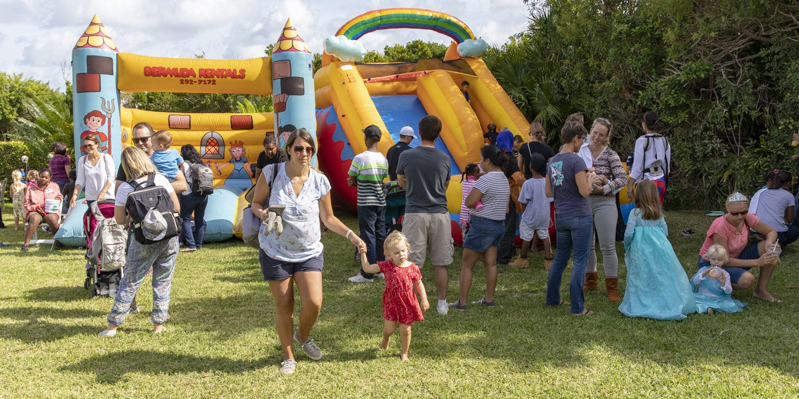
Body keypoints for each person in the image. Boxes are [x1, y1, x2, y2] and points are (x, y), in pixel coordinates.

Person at [251, 128, 366, 374]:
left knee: (314, 303)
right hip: (275, 249)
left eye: (309, 149)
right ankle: (289, 357)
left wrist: (351, 235)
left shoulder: (319, 180)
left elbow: (329, 217)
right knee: (284, 304)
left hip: (309, 251)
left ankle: (302, 336)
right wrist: (262, 213)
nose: (305, 153)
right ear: (289, 150)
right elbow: (256, 202)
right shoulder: (272, 173)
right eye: (300, 148)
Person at [98, 147, 181, 338]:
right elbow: (176, 207)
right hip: (169, 237)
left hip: (142, 240)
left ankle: (113, 326)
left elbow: (119, 220)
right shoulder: (160, 179)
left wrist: (134, 218)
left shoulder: (125, 189)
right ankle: (158, 325)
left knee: (130, 280)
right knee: (163, 281)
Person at [396, 115, 454, 316]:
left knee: (410, 262)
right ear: (438, 134)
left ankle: (410, 303)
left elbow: (400, 180)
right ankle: (442, 303)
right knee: (441, 261)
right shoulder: (444, 158)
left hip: (415, 213)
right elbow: (446, 185)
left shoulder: (406, 156)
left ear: (418, 132)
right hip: (439, 213)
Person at [618, 180, 696, 320]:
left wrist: (627, 246)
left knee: (642, 276)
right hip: (659, 250)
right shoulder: (658, 214)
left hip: (641, 251)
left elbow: (629, 233)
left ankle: (643, 300)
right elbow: (665, 232)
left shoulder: (635, 213)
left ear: (638, 195)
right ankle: (661, 299)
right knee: (659, 275)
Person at [544, 121, 597, 316]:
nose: (582, 143)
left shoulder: (553, 162)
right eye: (582, 139)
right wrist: (590, 180)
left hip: (561, 216)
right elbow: (584, 192)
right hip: (580, 215)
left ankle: (552, 299)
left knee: (560, 257)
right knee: (580, 260)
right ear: (575, 138)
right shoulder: (576, 161)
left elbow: (549, 191)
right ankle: (577, 308)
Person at [450, 145, 510, 310]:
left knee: (467, 264)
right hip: (498, 225)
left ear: (488, 160)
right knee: (490, 264)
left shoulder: (485, 180)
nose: (479, 162)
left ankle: (462, 303)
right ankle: (489, 300)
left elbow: (469, 202)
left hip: (482, 224)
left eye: (481, 159)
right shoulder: (503, 178)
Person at [577, 117, 627, 301]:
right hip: (584, 201)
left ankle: (612, 287)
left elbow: (622, 179)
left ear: (607, 137)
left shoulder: (611, 155)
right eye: (595, 132)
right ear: (590, 131)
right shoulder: (580, 151)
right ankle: (590, 281)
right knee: (588, 245)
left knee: (607, 245)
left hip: (605, 202)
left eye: (601, 134)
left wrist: (605, 185)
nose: (596, 137)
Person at [698, 191, 780, 302]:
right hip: (714, 262)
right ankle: (711, 283)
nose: (740, 216)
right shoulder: (720, 226)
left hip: (735, 257)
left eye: (743, 212)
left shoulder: (747, 218)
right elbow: (724, 260)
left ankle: (761, 290)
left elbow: (771, 231)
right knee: (748, 280)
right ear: (727, 208)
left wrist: (770, 244)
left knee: (772, 248)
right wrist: (757, 262)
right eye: (735, 213)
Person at [359, 231, 429, 361]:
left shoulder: (412, 267)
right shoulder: (386, 266)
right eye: (396, 253)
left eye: (403, 251)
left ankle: (404, 353)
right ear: (388, 254)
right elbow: (367, 268)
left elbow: (419, 283)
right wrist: (363, 253)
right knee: (389, 329)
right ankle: (386, 338)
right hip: (391, 302)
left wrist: (424, 298)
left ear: (407, 249)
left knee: (405, 330)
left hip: (408, 302)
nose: (401, 254)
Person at [347, 125, 389, 283]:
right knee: (380, 235)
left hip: (365, 202)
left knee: (367, 235)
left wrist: (352, 182)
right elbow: (381, 181)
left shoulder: (359, 159)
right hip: (380, 202)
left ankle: (367, 273)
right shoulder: (383, 159)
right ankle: (379, 269)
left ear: (366, 139)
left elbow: (352, 179)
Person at [116, 122, 187, 194]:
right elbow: (118, 191)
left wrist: (150, 190)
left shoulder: (168, 156)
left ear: (152, 137)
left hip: (167, 203)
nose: (140, 143)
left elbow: (182, 185)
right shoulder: (129, 162)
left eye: (144, 139)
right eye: (136, 140)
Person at [510, 153, 552, 269]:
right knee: (544, 236)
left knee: (527, 237)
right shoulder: (546, 182)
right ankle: (548, 260)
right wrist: (547, 216)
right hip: (543, 215)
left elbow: (523, 201)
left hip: (530, 216)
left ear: (530, 167)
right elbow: (549, 199)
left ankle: (523, 258)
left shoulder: (527, 184)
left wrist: (523, 213)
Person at [627, 111, 670, 205]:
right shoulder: (664, 140)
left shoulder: (641, 141)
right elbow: (666, 167)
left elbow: (637, 168)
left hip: (646, 183)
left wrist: (630, 184)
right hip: (660, 180)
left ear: (644, 124)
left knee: (644, 213)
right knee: (657, 213)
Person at [495, 129, 525, 265]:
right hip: (508, 198)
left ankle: (499, 253)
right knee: (509, 227)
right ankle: (503, 257)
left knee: (499, 227)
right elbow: (518, 179)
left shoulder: (496, 157)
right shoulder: (510, 159)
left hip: (496, 196)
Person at [749, 169, 799, 248]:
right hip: (777, 232)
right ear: (787, 184)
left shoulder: (760, 192)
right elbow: (790, 219)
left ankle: (764, 240)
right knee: (795, 231)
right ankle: (778, 244)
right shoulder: (788, 196)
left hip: (755, 230)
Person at [692, 244, 746, 315]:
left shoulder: (725, 274)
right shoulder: (704, 270)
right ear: (709, 259)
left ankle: (707, 308)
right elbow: (695, 282)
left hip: (718, 298)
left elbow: (728, 291)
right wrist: (703, 275)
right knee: (692, 300)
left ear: (724, 260)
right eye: (713, 259)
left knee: (730, 305)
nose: (716, 262)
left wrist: (723, 283)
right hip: (703, 296)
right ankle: (708, 308)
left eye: (720, 260)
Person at [21, 168, 63, 252]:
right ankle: (26, 244)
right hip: (35, 211)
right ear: (38, 176)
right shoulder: (30, 187)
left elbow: (60, 196)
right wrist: (35, 207)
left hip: (49, 210)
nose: (43, 179)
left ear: (50, 178)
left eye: (46, 177)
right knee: (34, 219)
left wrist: (58, 199)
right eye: (42, 177)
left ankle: (58, 242)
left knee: (52, 219)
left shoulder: (54, 186)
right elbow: (26, 203)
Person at [178, 144, 209, 253]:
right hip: (203, 194)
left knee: (185, 219)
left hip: (189, 194)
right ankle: (199, 244)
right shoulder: (201, 163)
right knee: (199, 219)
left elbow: (181, 179)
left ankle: (191, 245)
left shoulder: (184, 165)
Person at [71, 134, 115, 209]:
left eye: (90, 145)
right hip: (91, 198)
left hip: (107, 196)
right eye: (85, 146)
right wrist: (74, 195)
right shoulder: (83, 160)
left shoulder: (105, 158)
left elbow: (111, 177)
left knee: (107, 219)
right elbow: (80, 180)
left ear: (97, 144)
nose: (88, 148)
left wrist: (102, 193)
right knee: (94, 220)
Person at [459, 163, 480, 234]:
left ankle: (464, 239)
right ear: (471, 174)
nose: (479, 174)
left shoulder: (464, 181)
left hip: (464, 208)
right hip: (471, 208)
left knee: (465, 228)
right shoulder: (475, 183)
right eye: (477, 172)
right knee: (472, 228)